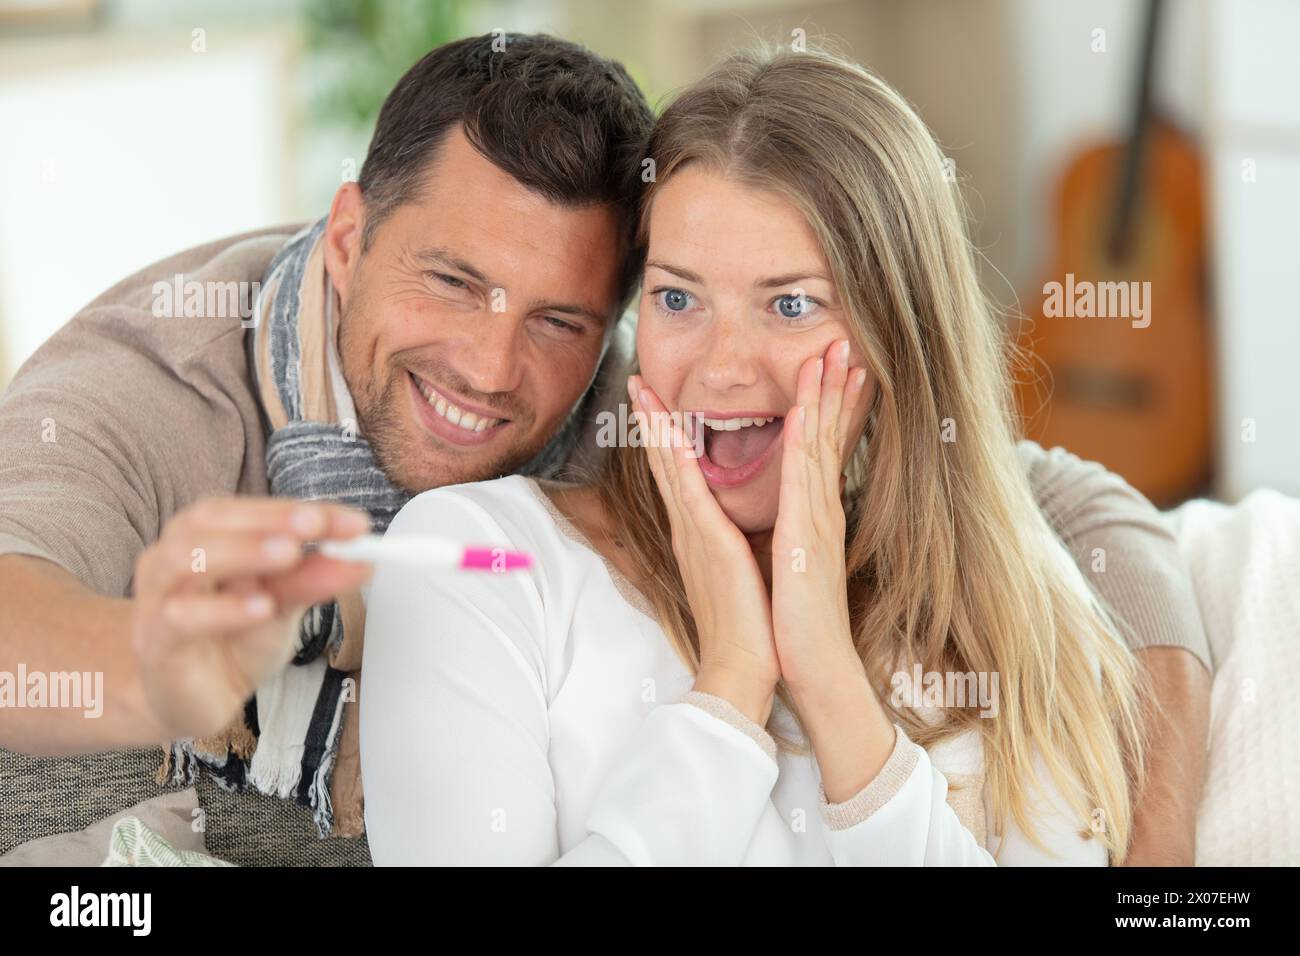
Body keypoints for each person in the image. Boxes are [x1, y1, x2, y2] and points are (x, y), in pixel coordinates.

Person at [0, 34, 1206, 862]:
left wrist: (1162, 847)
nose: (488, 365)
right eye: (451, 281)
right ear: (349, 233)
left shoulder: (655, 388)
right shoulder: (152, 387)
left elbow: (1036, 498)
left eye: (561, 320)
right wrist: (163, 671)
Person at [360, 45, 1210, 865]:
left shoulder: (1010, 608)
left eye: (793, 305)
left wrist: (830, 679)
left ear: (898, 340)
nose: (724, 368)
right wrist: (731, 685)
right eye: (678, 296)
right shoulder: (474, 561)